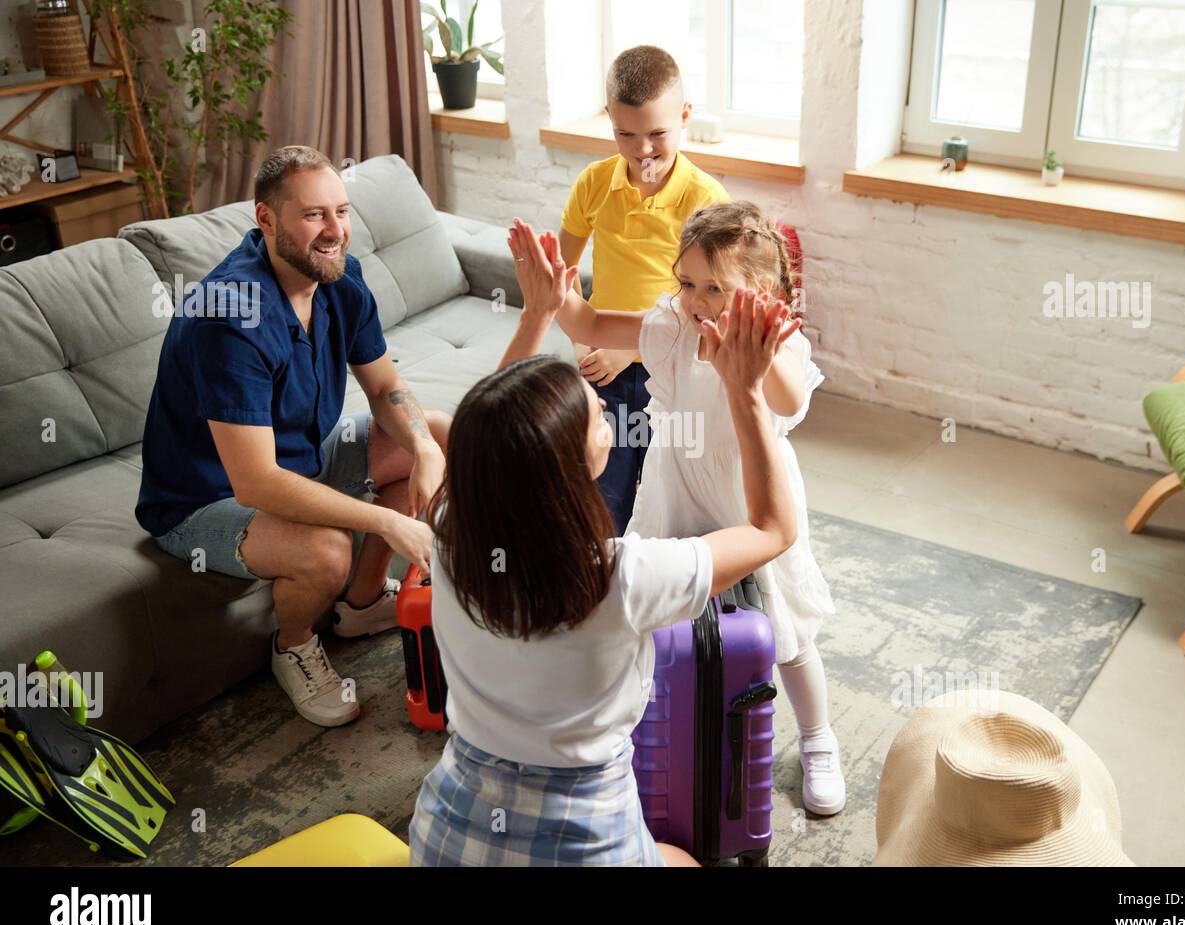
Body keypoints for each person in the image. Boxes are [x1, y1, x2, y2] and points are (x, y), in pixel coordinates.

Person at [408, 224, 801, 865]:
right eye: (595, 411)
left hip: (446, 834)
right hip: (583, 847)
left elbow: (487, 433)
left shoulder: (450, 531)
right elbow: (772, 530)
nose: (606, 404)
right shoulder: (623, 575)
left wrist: (538, 315)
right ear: (571, 466)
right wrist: (743, 389)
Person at [500, 210, 846, 816]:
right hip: (678, 490)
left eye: (716, 288)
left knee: (786, 633)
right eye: (687, 283)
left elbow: (789, 397)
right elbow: (596, 322)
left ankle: (818, 738)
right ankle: (657, 725)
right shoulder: (671, 324)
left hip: (750, 497)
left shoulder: (776, 339)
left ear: (760, 293)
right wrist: (556, 295)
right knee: (660, 621)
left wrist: (750, 361)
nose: (697, 300)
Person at [135, 145, 446, 728]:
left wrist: (425, 447)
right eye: (314, 216)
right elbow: (255, 482)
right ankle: (295, 646)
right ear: (267, 220)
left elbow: (384, 390)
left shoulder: (339, 276)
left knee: (436, 433)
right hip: (205, 497)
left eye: (342, 211)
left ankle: (360, 605)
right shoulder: (228, 316)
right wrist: (387, 520)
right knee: (325, 549)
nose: (335, 231)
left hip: (297, 459)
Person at [558, 45, 729, 533]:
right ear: (609, 117)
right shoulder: (593, 184)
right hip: (604, 370)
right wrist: (583, 339)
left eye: (658, 133)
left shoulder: (706, 200)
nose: (643, 150)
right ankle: (605, 593)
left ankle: (668, 595)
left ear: (685, 116)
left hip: (671, 367)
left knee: (670, 494)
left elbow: (710, 307)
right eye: (625, 134)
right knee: (600, 497)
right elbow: (561, 272)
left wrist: (629, 350)